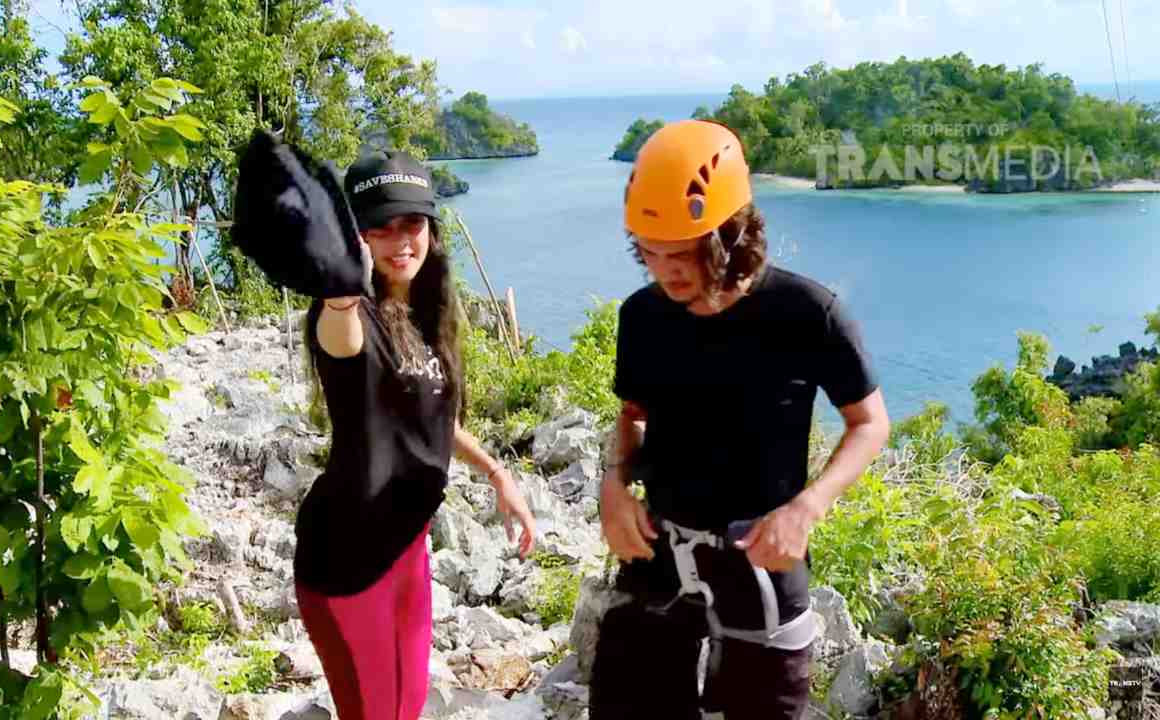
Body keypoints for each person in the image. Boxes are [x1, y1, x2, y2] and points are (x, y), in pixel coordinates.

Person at [589, 119, 891, 719]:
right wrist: (615, 485)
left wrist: (807, 508)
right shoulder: (643, 316)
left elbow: (870, 423)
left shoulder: (807, 312)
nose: (664, 271)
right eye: (648, 252)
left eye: (682, 254)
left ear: (731, 234)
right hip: (662, 556)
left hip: (762, 560)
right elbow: (633, 416)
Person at [292, 149, 539, 720]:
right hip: (348, 560)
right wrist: (339, 292)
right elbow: (339, 337)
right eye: (379, 227)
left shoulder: (423, 314)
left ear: (430, 228)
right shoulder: (350, 313)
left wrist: (498, 475)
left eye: (412, 223)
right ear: (356, 236)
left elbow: (436, 420)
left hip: (407, 549)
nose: (399, 240)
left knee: (407, 704)